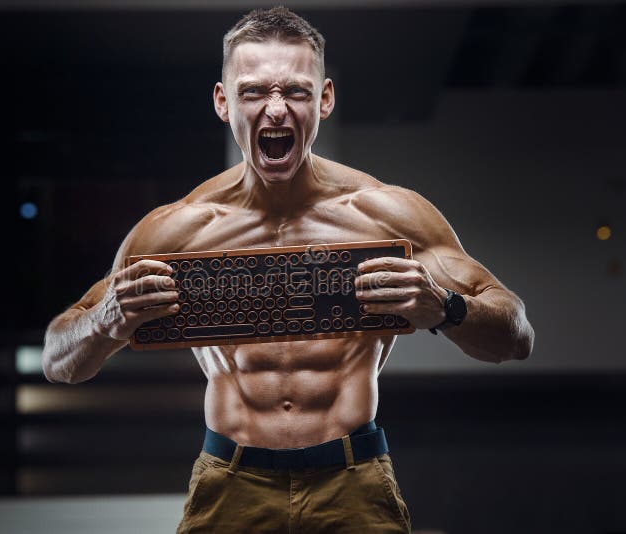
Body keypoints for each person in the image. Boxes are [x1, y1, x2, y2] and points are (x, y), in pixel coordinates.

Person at [41, 6, 534, 533]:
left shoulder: (385, 215)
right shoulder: (177, 232)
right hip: (230, 482)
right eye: (254, 91)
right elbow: (59, 360)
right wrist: (104, 320)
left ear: (323, 100)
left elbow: (516, 334)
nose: (276, 109)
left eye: (295, 92)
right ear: (223, 102)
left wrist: (447, 308)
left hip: (353, 477)